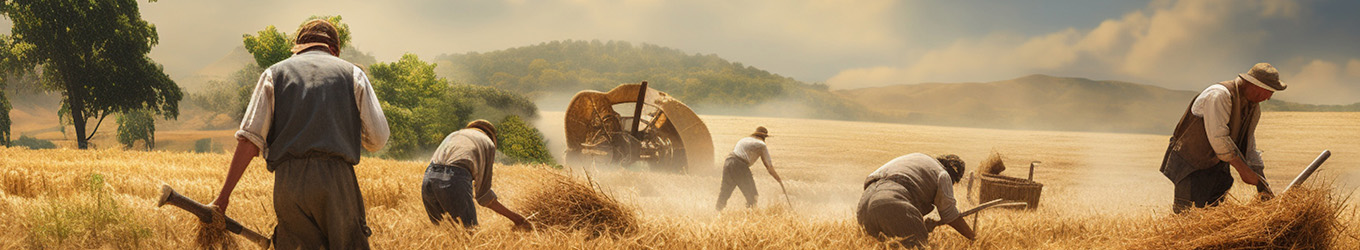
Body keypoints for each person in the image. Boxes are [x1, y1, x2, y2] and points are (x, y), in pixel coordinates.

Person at [210, 19, 390, 249]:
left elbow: (249, 140)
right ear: (334, 49)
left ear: (297, 48)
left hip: (289, 183)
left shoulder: (273, 74)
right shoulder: (353, 74)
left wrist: (223, 197)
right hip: (336, 181)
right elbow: (378, 139)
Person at [1160, 62, 1286, 214]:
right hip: (1190, 160)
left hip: (1215, 162)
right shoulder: (1219, 95)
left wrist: (1261, 182)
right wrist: (1244, 171)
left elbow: (1249, 144)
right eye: (1269, 92)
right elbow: (1219, 138)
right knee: (1187, 212)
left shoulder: (1253, 108)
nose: (1268, 98)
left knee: (1214, 206)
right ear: (1254, 85)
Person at [422, 120, 532, 230]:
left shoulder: (454, 135)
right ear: (491, 135)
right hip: (455, 179)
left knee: (444, 234)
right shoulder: (487, 143)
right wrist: (517, 219)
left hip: (428, 179)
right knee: (468, 235)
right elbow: (484, 196)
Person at [856, 153, 975, 247]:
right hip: (892, 203)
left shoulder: (918, 160)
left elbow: (885, 209)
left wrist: (921, 224)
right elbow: (950, 215)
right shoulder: (943, 174)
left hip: (864, 207)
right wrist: (975, 238)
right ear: (953, 176)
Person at [716, 126, 783, 211]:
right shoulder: (761, 145)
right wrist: (779, 179)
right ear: (764, 137)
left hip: (728, 162)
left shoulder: (743, 140)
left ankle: (717, 213)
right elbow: (769, 166)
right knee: (752, 195)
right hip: (740, 165)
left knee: (725, 192)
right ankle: (750, 215)